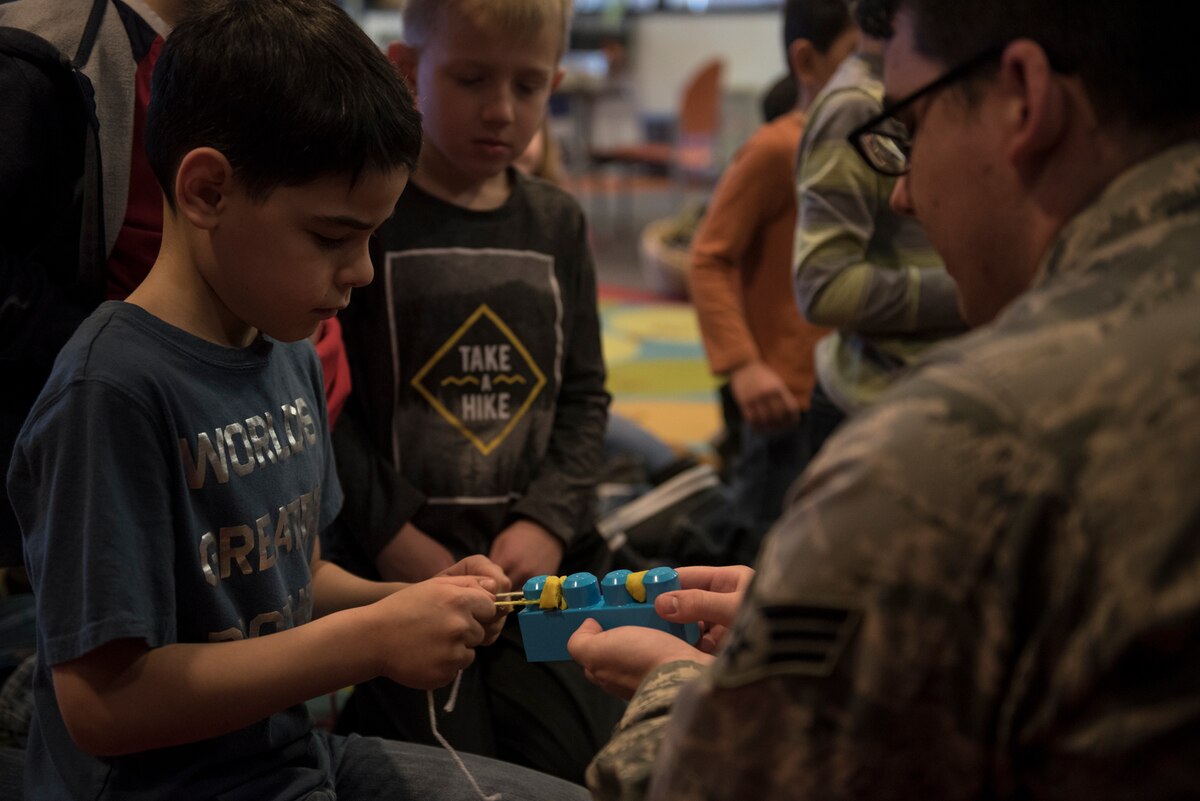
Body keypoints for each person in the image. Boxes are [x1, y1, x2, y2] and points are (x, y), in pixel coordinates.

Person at [569, 0, 1200, 797]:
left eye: (909, 127)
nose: (901, 195)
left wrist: (674, 688)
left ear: (1023, 97)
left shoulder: (960, 447)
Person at [5, 2, 593, 799]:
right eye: (331, 237)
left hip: (288, 758)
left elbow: (296, 576)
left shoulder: (286, 347)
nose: (362, 272)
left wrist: (416, 600)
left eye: (370, 239)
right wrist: (372, 639)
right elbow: (105, 705)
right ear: (208, 189)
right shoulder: (110, 393)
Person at [322, 0, 623, 784]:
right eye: (470, 78)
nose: (502, 109)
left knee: (579, 762)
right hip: (404, 571)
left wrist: (551, 520)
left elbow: (585, 395)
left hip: (537, 566)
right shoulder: (368, 220)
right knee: (459, 772)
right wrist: (397, 539)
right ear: (404, 70)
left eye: (529, 87)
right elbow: (328, 409)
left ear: (555, 84)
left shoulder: (557, 222)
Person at [0, 0, 353, 570]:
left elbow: (305, 583)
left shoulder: (278, 43)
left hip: (247, 468)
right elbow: (109, 662)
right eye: (330, 237)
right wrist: (172, 380)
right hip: (114, 481)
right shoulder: (43, 51)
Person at [688, 0, 857, 557]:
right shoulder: (777, 148)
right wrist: (744, 365)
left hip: (854, 389)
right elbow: (710, 258)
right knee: (761, 547)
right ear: (808, 62)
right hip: (788, 400)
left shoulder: (879, 147)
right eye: (857, 59)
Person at [791, 0, 964, 461]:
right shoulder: (858, 105)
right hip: (875, 403)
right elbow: (823, 286)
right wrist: (976, 291)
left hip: (929, 392)